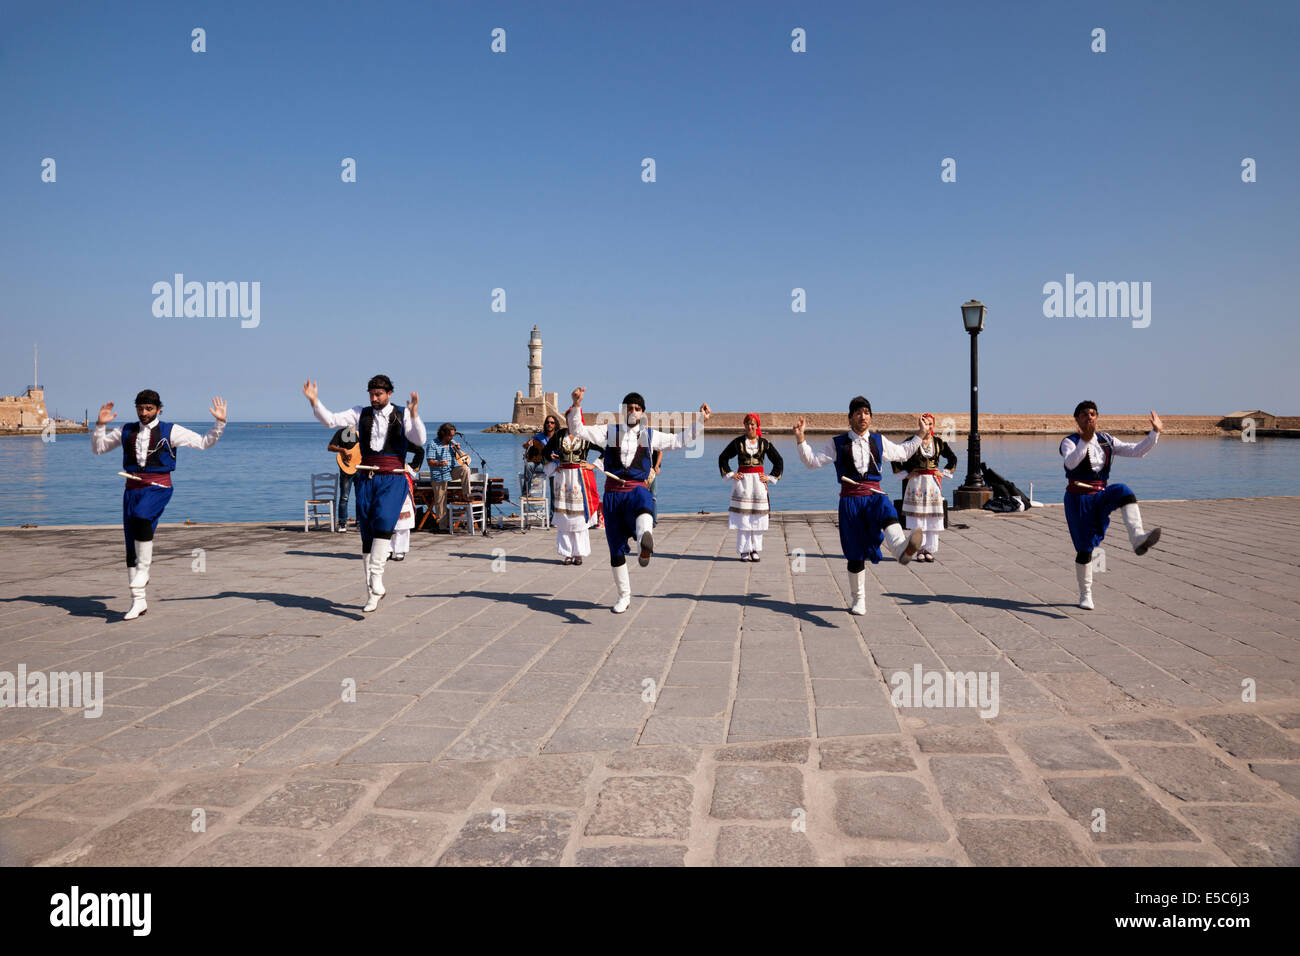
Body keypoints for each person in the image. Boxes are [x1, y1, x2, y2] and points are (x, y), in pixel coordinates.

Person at [565, 386, 710, 613]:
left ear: (642, 413)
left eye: (638, 408)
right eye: (630, 408)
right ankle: (624, 597)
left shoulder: (650, 435)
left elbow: (680, 441)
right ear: (623, 411)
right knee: (615, 550)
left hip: (636, 489)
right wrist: (576, 404)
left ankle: (645, 541)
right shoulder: (607, 431)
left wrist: (700, 420)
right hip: (613, 495)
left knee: (644, 502)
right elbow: (578, 430)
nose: (634, 411)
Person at [90, 390, 227, 620]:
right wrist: (100, 425)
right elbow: (98, 448)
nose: (144, 413)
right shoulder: (126, 430)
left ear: (159, 409)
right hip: (131, 490)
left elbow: (205, 443)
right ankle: (138, 601)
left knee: (143, 517)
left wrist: (220, 422)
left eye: (149, 409)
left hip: (158, 487)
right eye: (140, 408)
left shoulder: (171, 430)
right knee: (131, 545)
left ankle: (144, 573)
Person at [794, 399, 929, 615]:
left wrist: (920, 435)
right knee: (854, 552)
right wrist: (801, 440)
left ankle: (899, 549)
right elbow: (812, 462)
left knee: (886, 507)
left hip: (873, 494)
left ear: (871, 417)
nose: (863, 416)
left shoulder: (879, 441)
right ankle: (859, 600)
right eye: (858, 413)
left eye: (866, 412)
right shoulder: (837, 443)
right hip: (850, 501)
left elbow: (903, 453)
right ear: (850, 418)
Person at [303, 375, 426, 611]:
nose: (374, 398)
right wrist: (314, 402)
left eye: (378, 394)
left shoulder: (402, 414)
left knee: (383, 521)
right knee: (367, 533)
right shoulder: (361, 413)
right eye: (371, 394)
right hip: (366, 477)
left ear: (389, 393)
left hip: (393, 478)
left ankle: (377, 579)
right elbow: (330, 421)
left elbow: (419, 439)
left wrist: (414, 414)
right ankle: (371, 591)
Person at [1061, 403, 1163, 610]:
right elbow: (1071, 463)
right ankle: (1085, 594)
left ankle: (1137, 538)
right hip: (1078, 498)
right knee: (1085, 548)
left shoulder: (1106, 440)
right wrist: (1085, 440)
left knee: (1123, 491)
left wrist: (1155, 432)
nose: (1089, 417)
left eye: (1092, 414)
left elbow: (1136, 451)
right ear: (1076, 419)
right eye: (1084, 415)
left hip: (1100, 494)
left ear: (1097, 417)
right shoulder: (1068, 442)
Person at [718, 413, 783, 561]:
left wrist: (770, 477)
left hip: (758, 484)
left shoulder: (764, 443)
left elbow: (778, 461)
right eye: (748, 424)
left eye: (753, 424)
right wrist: (731, 474)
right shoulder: (738, 442)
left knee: (757, 516)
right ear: (744, 426)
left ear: (757, 426)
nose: (750, 426)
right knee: (744, 517)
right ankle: (744, 550)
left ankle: (755, 549)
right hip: (743, 483)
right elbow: (723, 457)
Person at [542, 411, 604, 565]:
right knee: (564, 517)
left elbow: (606, 449)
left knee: (579, 517)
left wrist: (593, 465)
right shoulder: (559, 435)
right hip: (563, 479)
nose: (571, 422)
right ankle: (566, 553)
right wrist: (552, 461)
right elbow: (544, 451)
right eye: (569, 419)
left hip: (580, 478)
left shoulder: (586, 435)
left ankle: (579, 553)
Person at [892, 418, 957, 562]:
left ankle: (928, 549)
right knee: (918, 517)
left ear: (933, 425)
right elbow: (895, 457)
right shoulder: (912, 441)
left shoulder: (939, 442)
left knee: (931, 516)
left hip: (932, 483)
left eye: (930, 424)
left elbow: (952, 458)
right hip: (916, 482)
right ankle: (919, 549)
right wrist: (906, 474)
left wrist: (944, 472)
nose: (927, 427)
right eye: (925, 424)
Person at [424, 423, 470, 532]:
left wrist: (458, 450)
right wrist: (439, 464)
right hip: (439, 474)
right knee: (440, 501)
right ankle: (442, 526)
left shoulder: (452, 444)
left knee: (465, 469)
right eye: (450, 436)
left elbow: (462, 459)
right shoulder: (433, 444)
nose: (452, 438)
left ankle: (467, 494)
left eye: (453, 435)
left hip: (451, 471)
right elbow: (430, 462)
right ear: (443, 434)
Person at [391, 439, 425, 561]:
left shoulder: (407, 469)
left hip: (402, 488)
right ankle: (386, 549)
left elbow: (420, 451)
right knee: (385, 521)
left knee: (403, 523)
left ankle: (400, 550)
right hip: (386, 484)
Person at [326, 425, 359, 532]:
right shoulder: (341, 432)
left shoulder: (362, 433)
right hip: (346, 467)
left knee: (361, 497)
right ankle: (342, 523)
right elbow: (330, 447)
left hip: (361, 468)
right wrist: (342, 449)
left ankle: (360, 523)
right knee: (344, 497)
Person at [647, 448, 663, 527]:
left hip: (652, 470)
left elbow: (660, 452)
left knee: (653, 496)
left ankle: (654, 521)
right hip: (639, 470)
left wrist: (657, 466)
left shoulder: (653, 436)